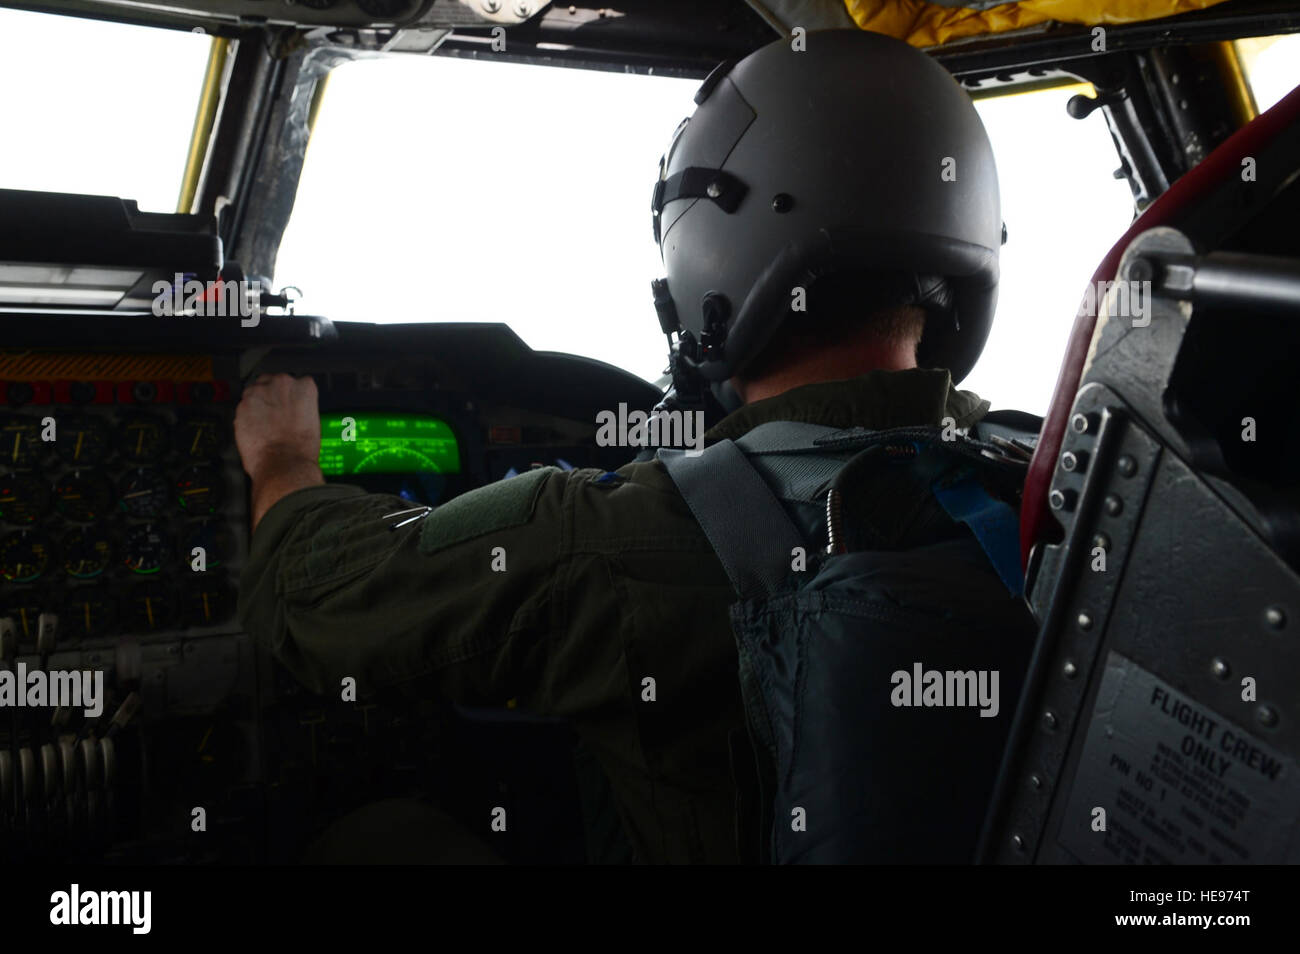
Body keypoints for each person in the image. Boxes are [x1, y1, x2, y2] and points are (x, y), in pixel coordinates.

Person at [235, 28, 1035, 864]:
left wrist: (284, 460)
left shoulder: (624, 538)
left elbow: (314, 597)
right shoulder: (1043, 485)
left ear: (711, 245)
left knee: (378, 837)